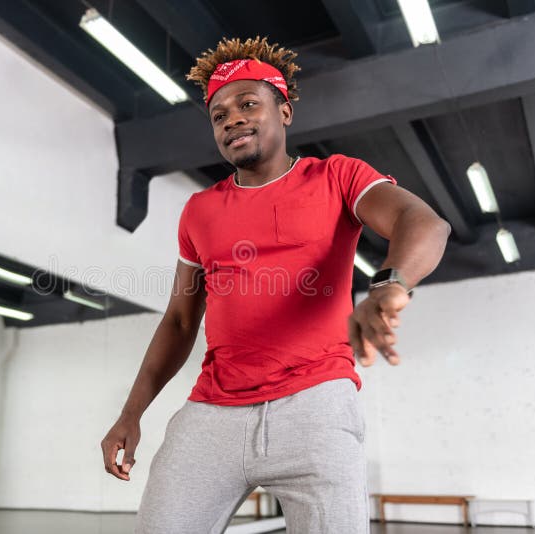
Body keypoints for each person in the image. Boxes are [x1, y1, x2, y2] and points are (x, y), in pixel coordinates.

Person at [101, 36, 451, 534]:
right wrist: (131, 414)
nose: (233, 119)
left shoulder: (337, 177)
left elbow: (423, 222)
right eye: (219, 115)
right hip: (213, 411)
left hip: (316, 404)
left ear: (283, 111)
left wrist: (388, 286)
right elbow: (180, 321)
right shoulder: (199, 211)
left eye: (248, 104)